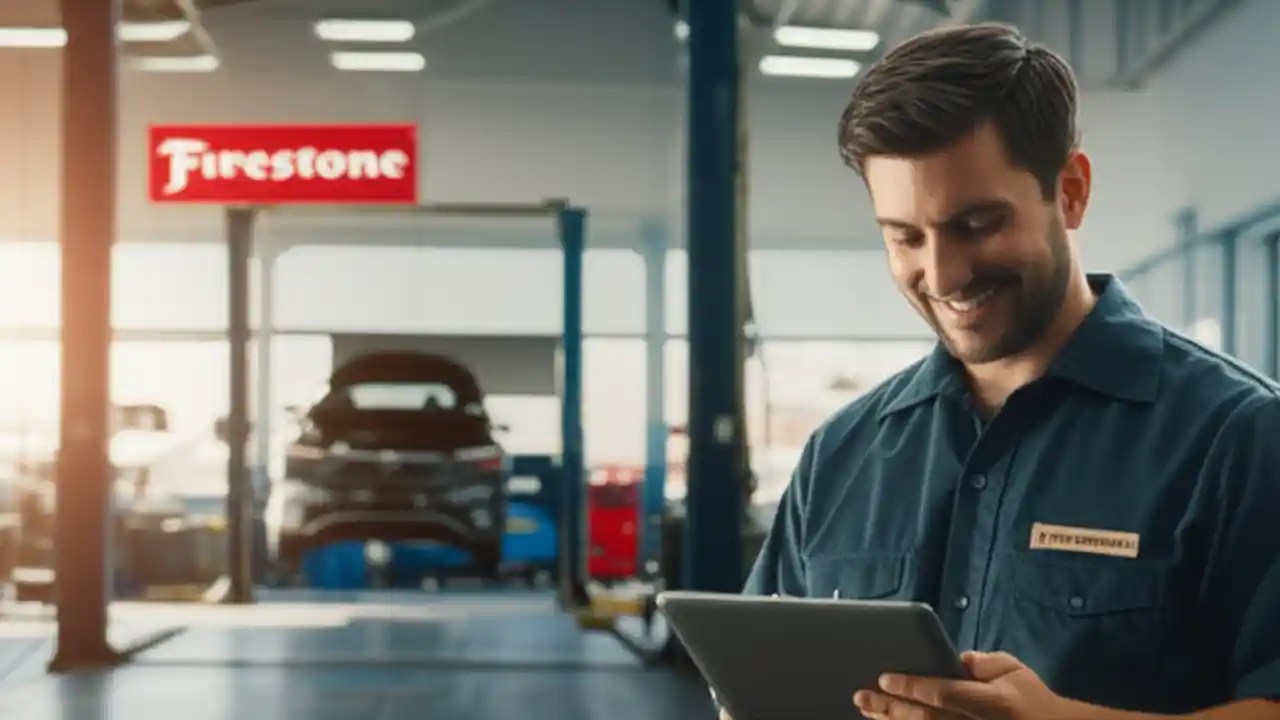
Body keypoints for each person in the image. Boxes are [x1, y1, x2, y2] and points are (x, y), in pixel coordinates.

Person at [731, 22, 1280, 720]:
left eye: (977, 224)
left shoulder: (1241, 437)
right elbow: (764, 685)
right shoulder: (842, 453)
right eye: (905, 236)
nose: (942, 274)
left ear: (1071, 191)